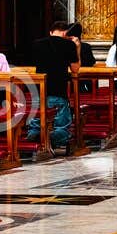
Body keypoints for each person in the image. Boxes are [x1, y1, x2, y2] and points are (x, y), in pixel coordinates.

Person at [25, 19, 77, 151]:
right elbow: (75, 69)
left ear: (51, 32)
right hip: (58, 90)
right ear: (65, 32)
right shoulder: (68, 45)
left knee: (36, 123)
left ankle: (35, 137)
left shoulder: (37, 44)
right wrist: (77, 47)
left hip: (40, 90)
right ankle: (51, 139)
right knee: (62, 126)